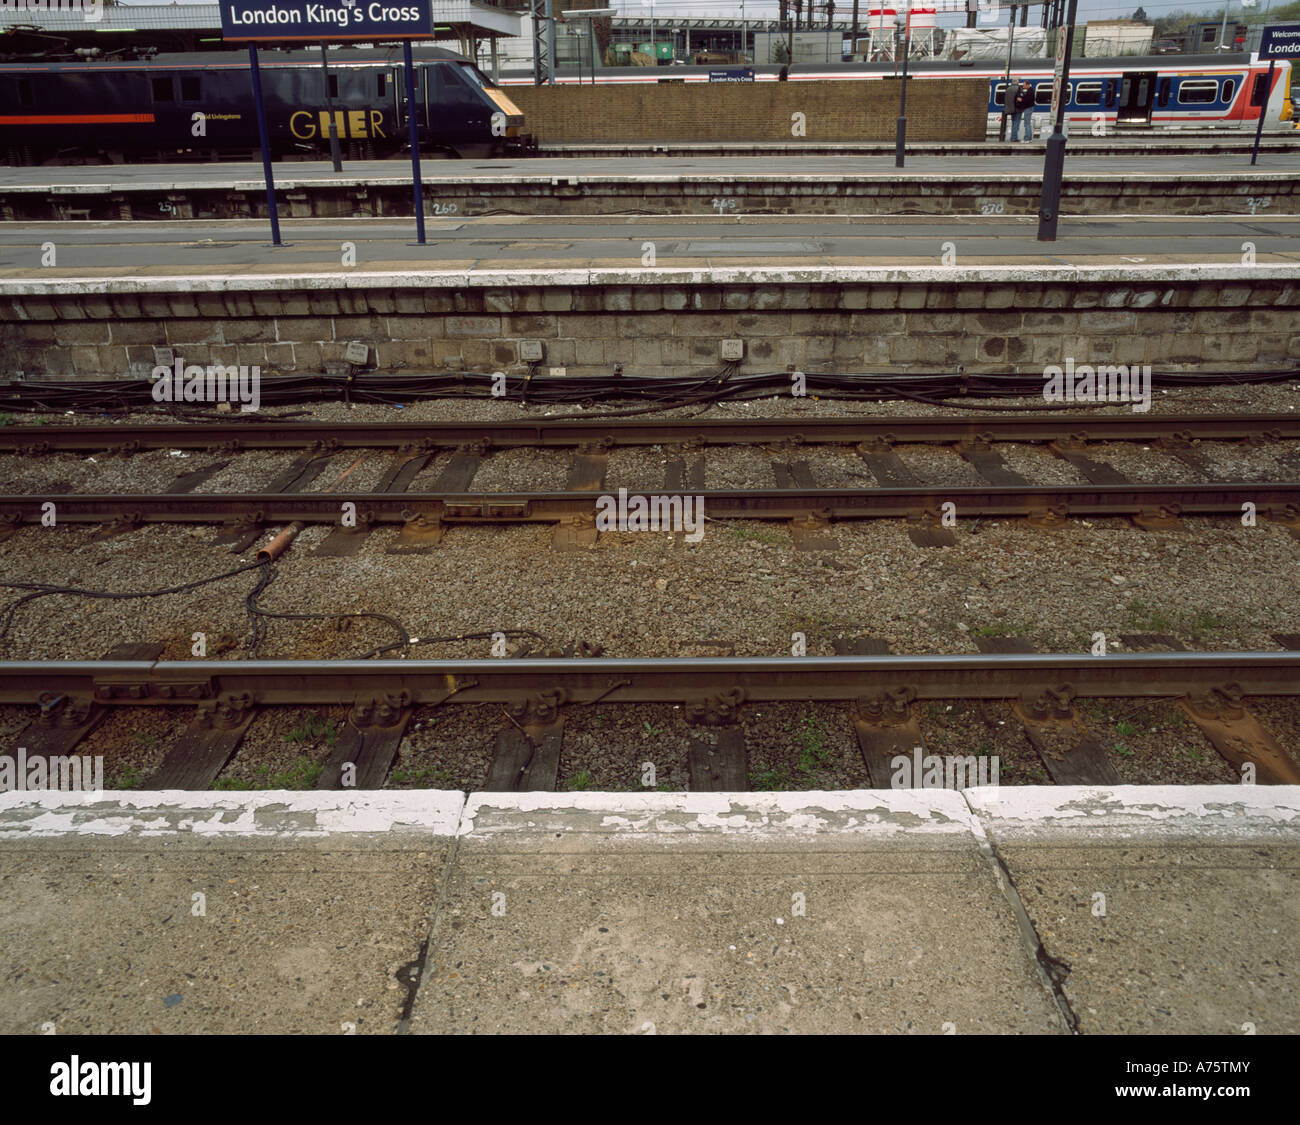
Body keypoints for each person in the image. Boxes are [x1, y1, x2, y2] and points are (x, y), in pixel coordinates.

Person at [1010, 78, 1036, 143]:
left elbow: (1027, 100)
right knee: (1027, 123)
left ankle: (1027, 138)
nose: (1023, 86)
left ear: (1028, 85)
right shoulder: (1030, 90)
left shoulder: (1030, 91)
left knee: (1027, 124)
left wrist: (1020, 100)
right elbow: (1027, 99)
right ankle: (1028, 138)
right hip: (1029, 108)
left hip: (1028, 108)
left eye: (1024, 85)